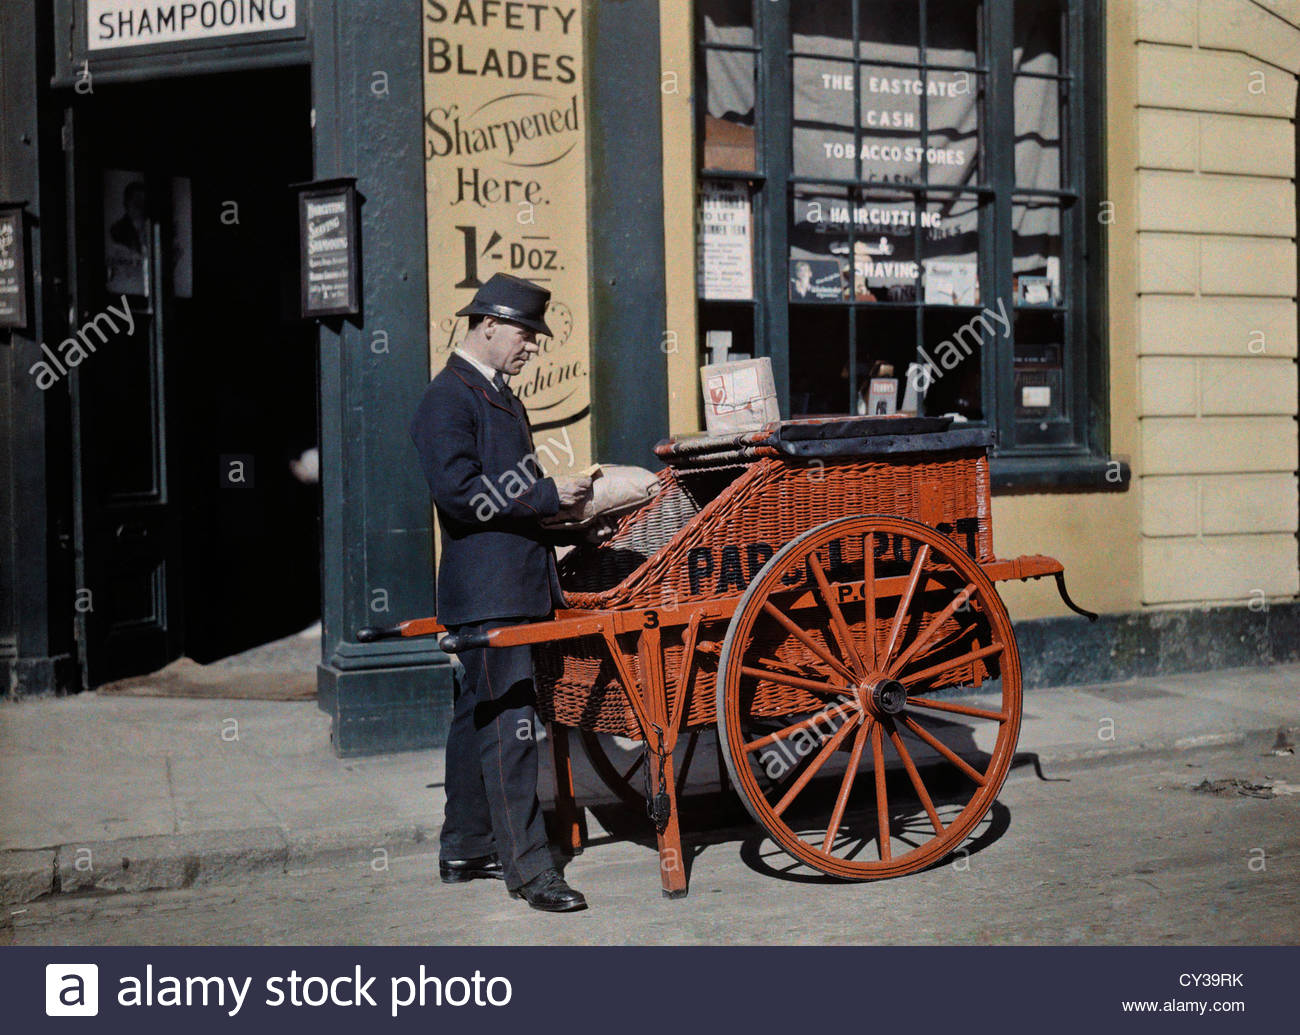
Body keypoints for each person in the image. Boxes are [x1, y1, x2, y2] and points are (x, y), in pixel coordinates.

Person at [409, 273, 593, 913]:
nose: (533, 347)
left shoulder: (495, 394)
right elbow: (459, 496)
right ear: (487, 325)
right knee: (512, 726)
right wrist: (545, 496)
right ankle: (532, 871)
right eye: (525, 333)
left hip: (511, 585)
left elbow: (501, 489)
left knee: (477, 717)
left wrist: (558, 510)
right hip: (490, 594)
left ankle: (465, 846)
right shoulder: (447, 400)